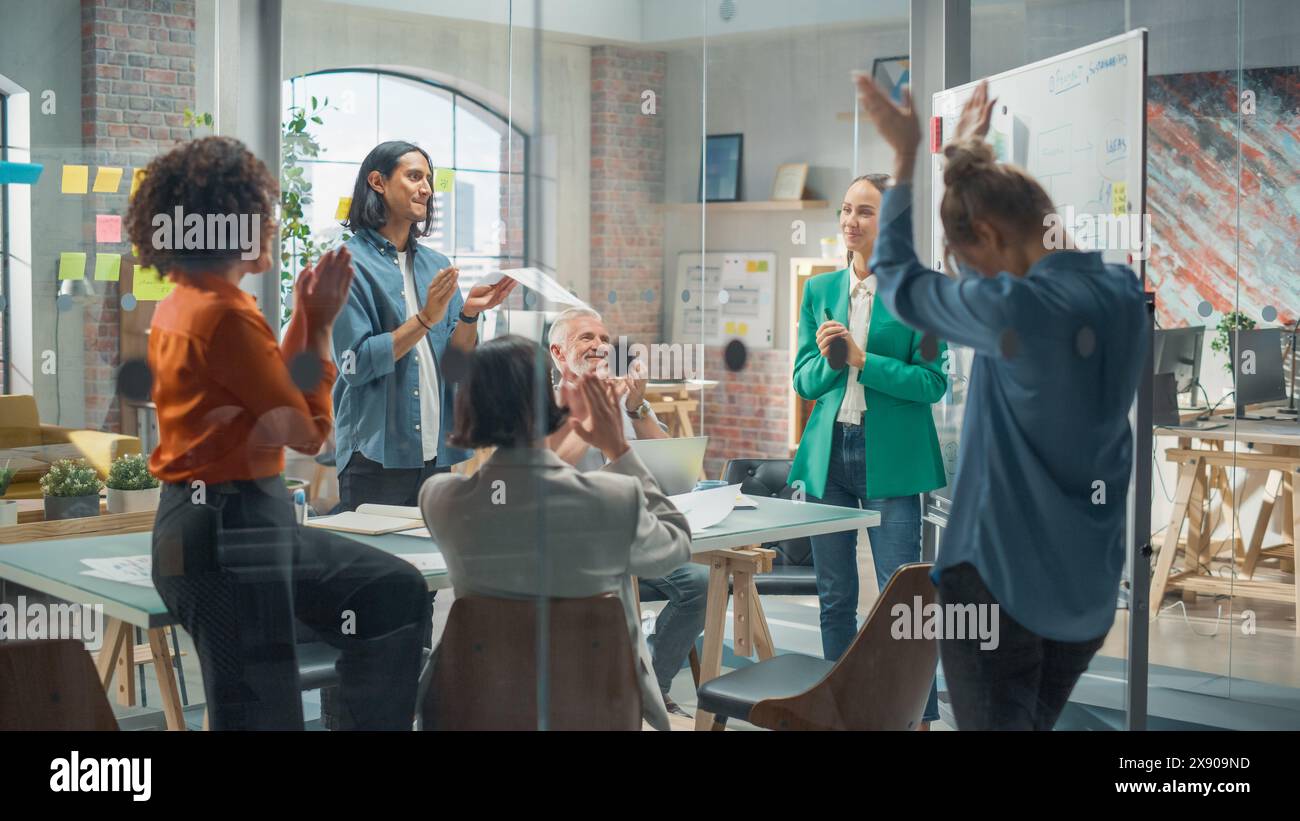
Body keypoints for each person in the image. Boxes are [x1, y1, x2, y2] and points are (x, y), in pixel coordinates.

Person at [856, 77, 1147, 730]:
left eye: (969, 261)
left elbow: (898, 280)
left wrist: (907, 160)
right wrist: (965, 160)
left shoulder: (1018, 309)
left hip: (997, 588)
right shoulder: (1126, 292)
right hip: (1085, 596)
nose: (971, 282)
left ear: (989, 233)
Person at [136, 136, 430, 730]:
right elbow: (308, 431)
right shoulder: (225, 315)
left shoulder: (191, 301)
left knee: (391, 590)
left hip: (210, 524)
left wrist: (304, 315)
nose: (271, 224)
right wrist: (317, 324)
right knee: (258, 714)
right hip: (233, 532)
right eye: (261, 211)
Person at [418, 335, 692, 731]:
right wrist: (620, 451)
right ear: (548, 402)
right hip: (596, 709)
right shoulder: (613, 497)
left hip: (478, 706)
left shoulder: (440, 501)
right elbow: (677, 544)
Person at [788, 173, 948, 729]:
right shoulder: (818, 290)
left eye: (866, 212)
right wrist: (830, 361)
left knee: (901, 603)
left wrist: (861, 360)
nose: (850, 221)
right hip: (829, 456)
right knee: (835, 597)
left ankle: (916, 720)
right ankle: (839, 713)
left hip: (893, 461)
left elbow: (932, 382)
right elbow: (803, 380)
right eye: (846, 210)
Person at [332, 140, 516, 510]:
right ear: (378, 182)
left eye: (429, 180)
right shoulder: (345, 265)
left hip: (435, 453)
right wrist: (426, 318)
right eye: (415, 176)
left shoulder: (436, 264)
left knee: (431, 566)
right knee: (380, 568)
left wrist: (469, 314)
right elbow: (357, 364)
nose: (428, 189)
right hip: (375, 457)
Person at [545, 307, 709, 719]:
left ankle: (653, 682)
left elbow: (670, 465)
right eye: (586, 338)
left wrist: (635, 407)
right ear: (559, 353)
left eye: (604, 338)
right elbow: (544, 473)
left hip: (632, 530)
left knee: (702, 582)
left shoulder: (622, 396)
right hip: (573, 541)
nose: (600, 346)